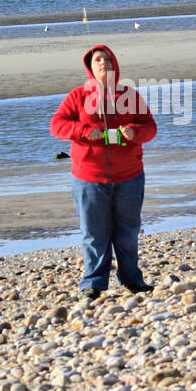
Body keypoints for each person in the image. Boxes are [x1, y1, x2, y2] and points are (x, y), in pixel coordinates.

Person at [50, 43, 157, 298]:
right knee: (94, 234)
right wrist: (84, 132)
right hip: (89, 178)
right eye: (98, 60)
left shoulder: (129, 95)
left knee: (128, 232)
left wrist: (134, 132)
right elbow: (57, 126)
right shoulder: (78, 96)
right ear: (90, 66)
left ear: (115, 65)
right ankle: (93, 284)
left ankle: (132, 280)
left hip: (130, 176)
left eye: (107, 59)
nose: (103, 63)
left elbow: (151, 128)